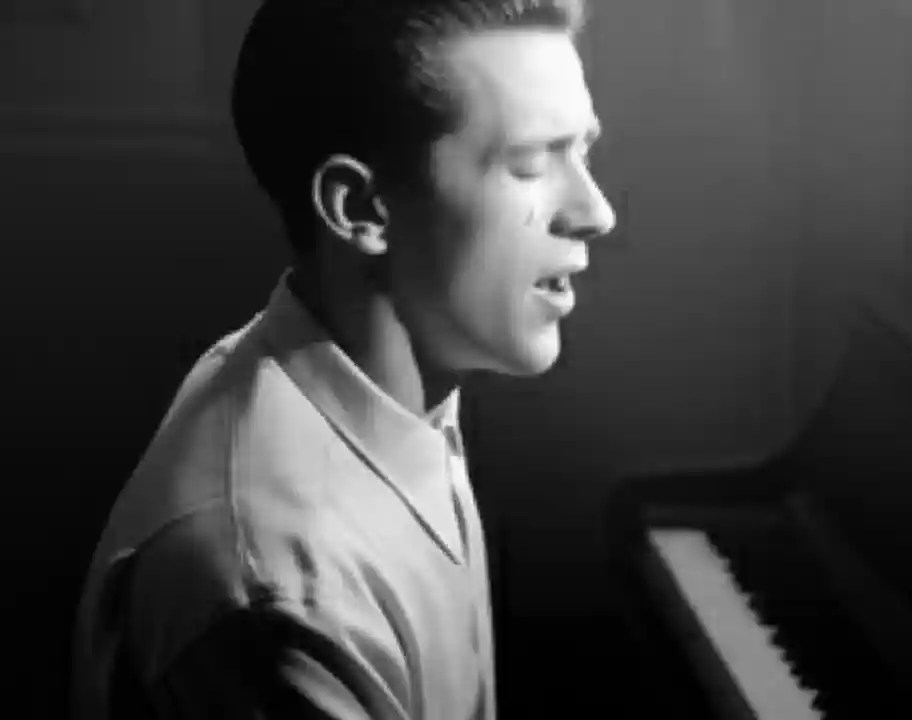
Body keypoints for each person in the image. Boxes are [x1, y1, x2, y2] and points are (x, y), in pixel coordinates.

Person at [69, 0, 616, 717]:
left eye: (583, 151)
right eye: (529, 165)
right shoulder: (278, 589)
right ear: (360, 208)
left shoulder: (391, 392)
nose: (595, 210)